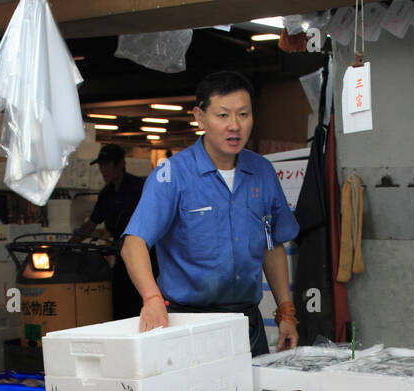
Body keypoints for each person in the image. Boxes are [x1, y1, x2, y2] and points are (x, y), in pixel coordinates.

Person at [120, 70, 300, 356]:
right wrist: (152, 298)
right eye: (223, 115)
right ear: (200, 117)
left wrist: (286, 312)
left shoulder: (263, 172)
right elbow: (133, 245)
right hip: (187, 321)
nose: (235, 126)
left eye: (243, 114)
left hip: (245, 322)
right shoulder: (172, 174)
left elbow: (272, 244)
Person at [74, 144, 146, 318]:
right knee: (119, 303)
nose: (103, 169)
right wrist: (70, 244)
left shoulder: (139, 187)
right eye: (101, 165)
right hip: (121, 256)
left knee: (138, 302)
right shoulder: (106, 194)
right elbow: (92, 223)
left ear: (121, 163)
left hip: (145, 255)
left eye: (107, 164)